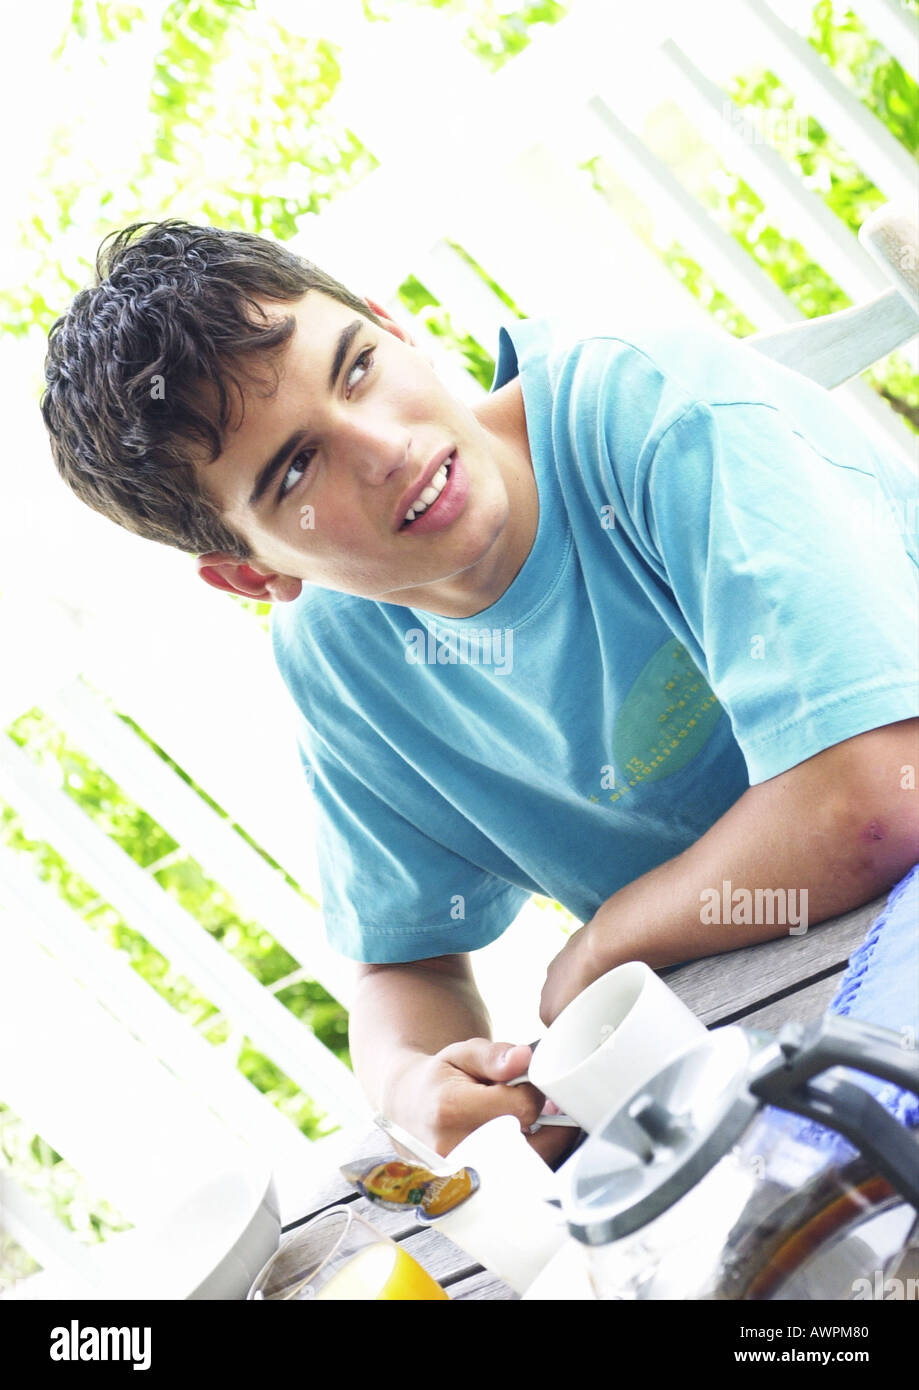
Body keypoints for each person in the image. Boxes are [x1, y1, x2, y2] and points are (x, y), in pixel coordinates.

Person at [41, 221, 919, 1164]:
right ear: (252, 575)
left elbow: (874, 798)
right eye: (296, 468)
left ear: (395, 326)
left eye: (357, 368)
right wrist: (416, 1083)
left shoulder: (650, 410)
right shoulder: (339, 657)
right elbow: (403, 963)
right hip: (800, 1025)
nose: (383, 447)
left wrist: (600, 948)